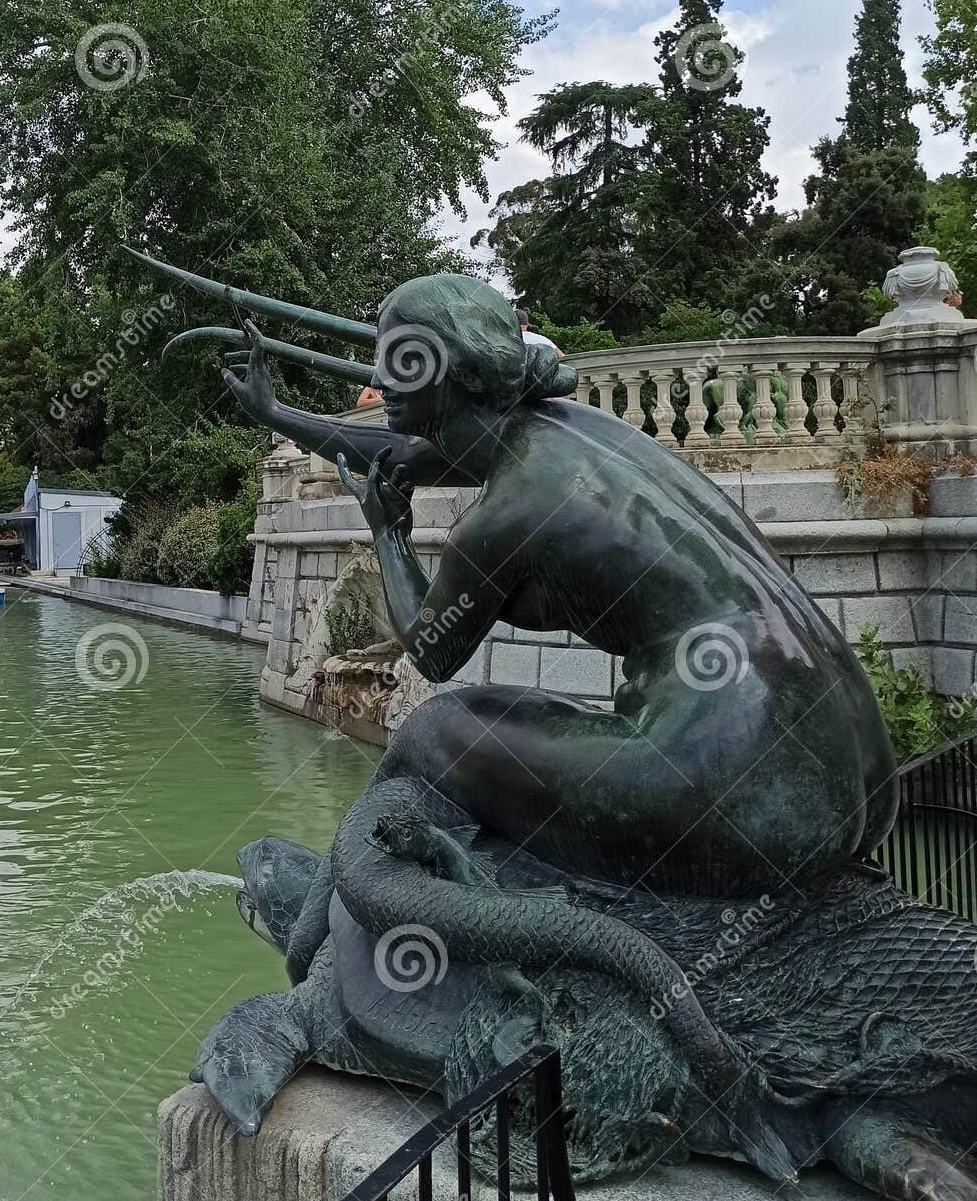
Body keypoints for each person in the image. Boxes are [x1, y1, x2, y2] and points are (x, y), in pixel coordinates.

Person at [221, 276, 894, 897]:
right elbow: (402, 454)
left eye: (399, 361)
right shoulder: (573, 432)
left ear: (449, 372)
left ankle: (380, 901)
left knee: (434, 730)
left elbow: (429, 651)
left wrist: (389, 534)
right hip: (851, 764)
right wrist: (276, 412)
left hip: (742, 782)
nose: (375, 380)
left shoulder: (504, 515)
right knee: (501, 714)